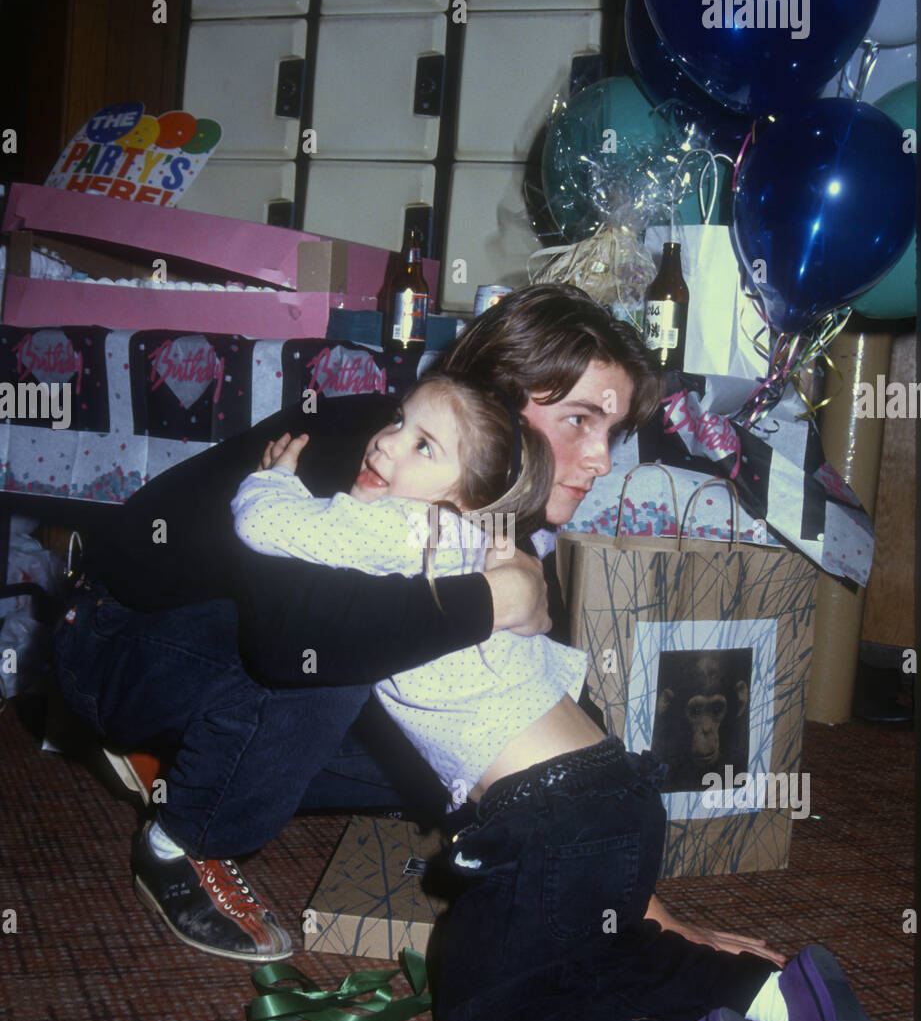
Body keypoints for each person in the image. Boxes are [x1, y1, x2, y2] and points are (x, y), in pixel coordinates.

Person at [51, 284, 774, 967]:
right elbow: (297, 645)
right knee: (346, 651)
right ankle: (185, 841)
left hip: (216, 659)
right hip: (114, 641)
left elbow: (536, 712)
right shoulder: (371, 451)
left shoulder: (492, 507)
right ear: (495, 401)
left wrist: (648, 912)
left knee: (472, 750)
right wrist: (497, 599)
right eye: (579, 420)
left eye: (613, 430)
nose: (600, 460)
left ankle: (176, 760)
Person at [229, 372, 884, 1021]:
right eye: (396, 423)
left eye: (422, 445)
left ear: (464, 496)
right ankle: (770, 996)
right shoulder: (478, 539)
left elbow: (272, 530)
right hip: (618, 789)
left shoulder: (405, 530)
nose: (386, 443)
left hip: (542, 811)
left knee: (484, 1007)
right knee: (602, 941)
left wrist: (273, 481)